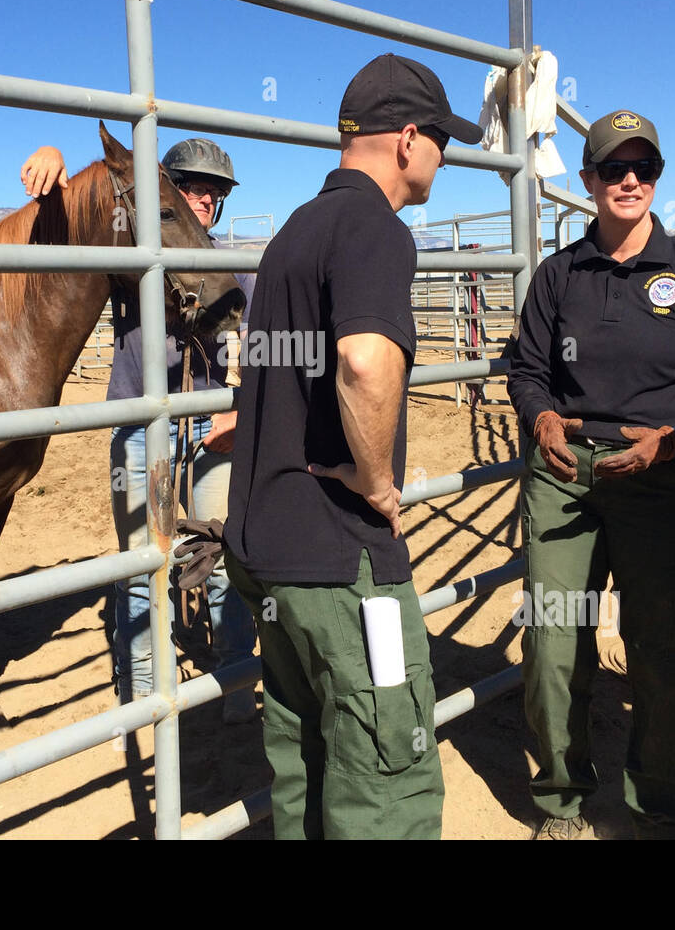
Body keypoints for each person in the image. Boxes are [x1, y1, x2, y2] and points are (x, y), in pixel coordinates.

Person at [222, 53, 481, 839]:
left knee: (304, 765)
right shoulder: (374, 227)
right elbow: (365, 361)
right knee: (385, 780)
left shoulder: (294, 233)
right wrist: (375, 479)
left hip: (270, 548)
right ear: (407, 138)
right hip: (343, 559)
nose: (444, 155)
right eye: (441, 139)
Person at [507, 110, 675, 839]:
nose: (629, 180)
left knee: (663, 646)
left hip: (665, 477)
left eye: (643, 168)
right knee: (554, 642)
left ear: (656, 178)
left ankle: (663, 808)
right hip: (566, 474)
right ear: (587, 180)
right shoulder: (558, 276)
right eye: (614, 169)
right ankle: (562, 800)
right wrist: (541, 418)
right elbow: (527, 370)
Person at [21, 137, 258, 723]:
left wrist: (240, 408)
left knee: (221, 549)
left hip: (208, 425)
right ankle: (146, 697)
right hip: (135, 424)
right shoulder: (129, 258)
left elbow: (265, 342)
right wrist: (55, 159)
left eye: (214, 192)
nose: (205, 199)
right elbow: (62, 237)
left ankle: (233, 685)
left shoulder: (229, 269)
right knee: (140, 564)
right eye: (192, 188)